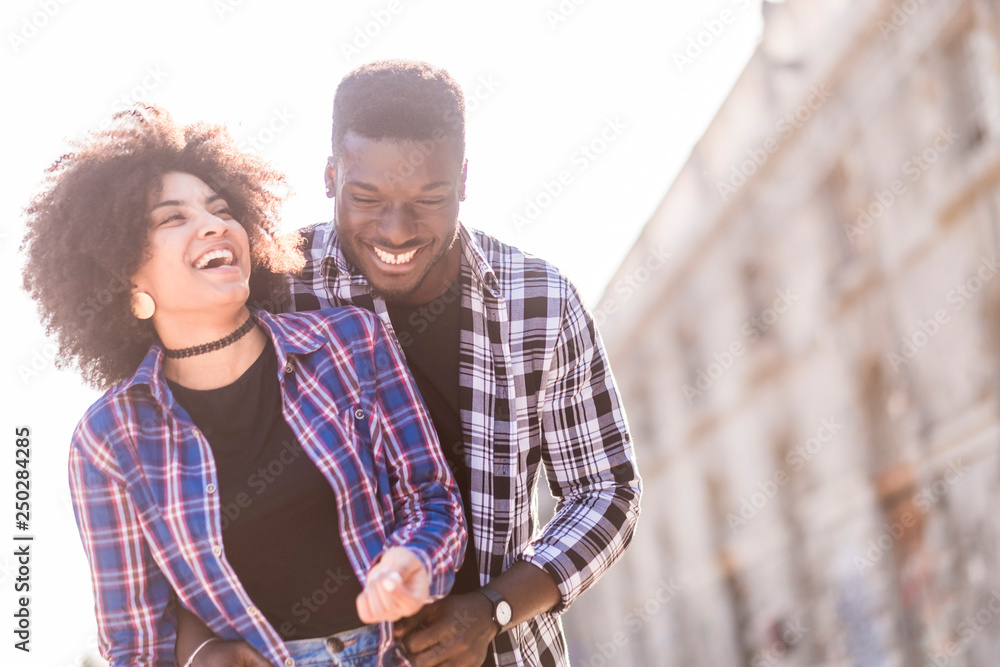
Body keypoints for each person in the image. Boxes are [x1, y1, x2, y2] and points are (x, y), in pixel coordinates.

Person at [178, 60, 642, 666]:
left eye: (429, 199)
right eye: (367, 198)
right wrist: (200, 649)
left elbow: (605, 491)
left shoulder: (542, 303)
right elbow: (179, 499)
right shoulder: (272, 294)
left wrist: (494, 609)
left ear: (465, 180)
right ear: (329, 176)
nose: (396, 232)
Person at [20, 105, 466, 667]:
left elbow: (431, 499)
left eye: (221, 209)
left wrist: (413, 562)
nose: (214, 225)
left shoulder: (349, 342)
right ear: (123, 273)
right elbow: (136, 644)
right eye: (172, 218)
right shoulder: (111, 437)